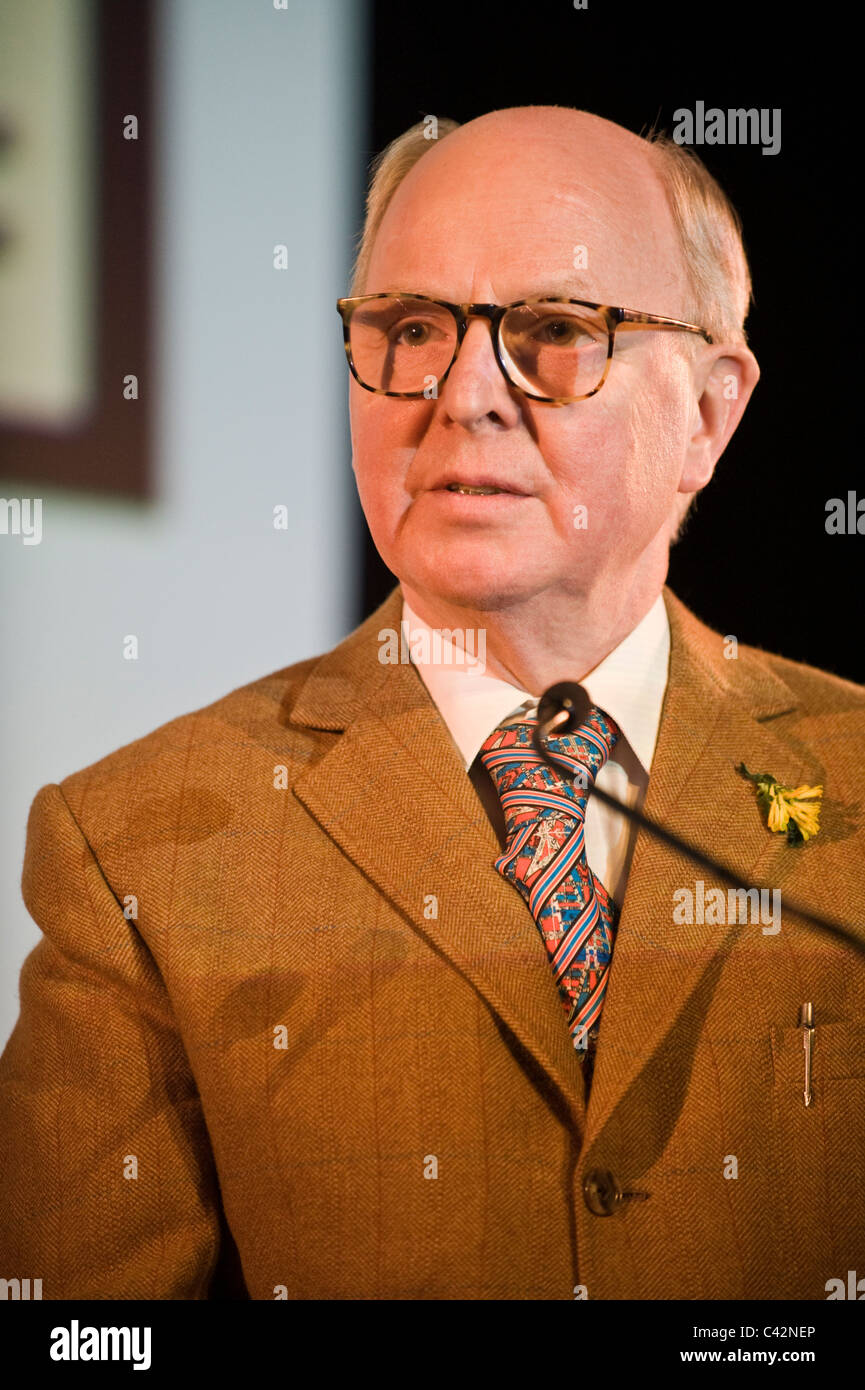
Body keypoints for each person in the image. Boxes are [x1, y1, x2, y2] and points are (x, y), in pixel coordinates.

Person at [1, 106, 863, 1302]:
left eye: (555, 331)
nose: (463, 396)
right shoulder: (138, 847)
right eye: (410, 329)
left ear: (709, 413)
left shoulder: (851, 779)